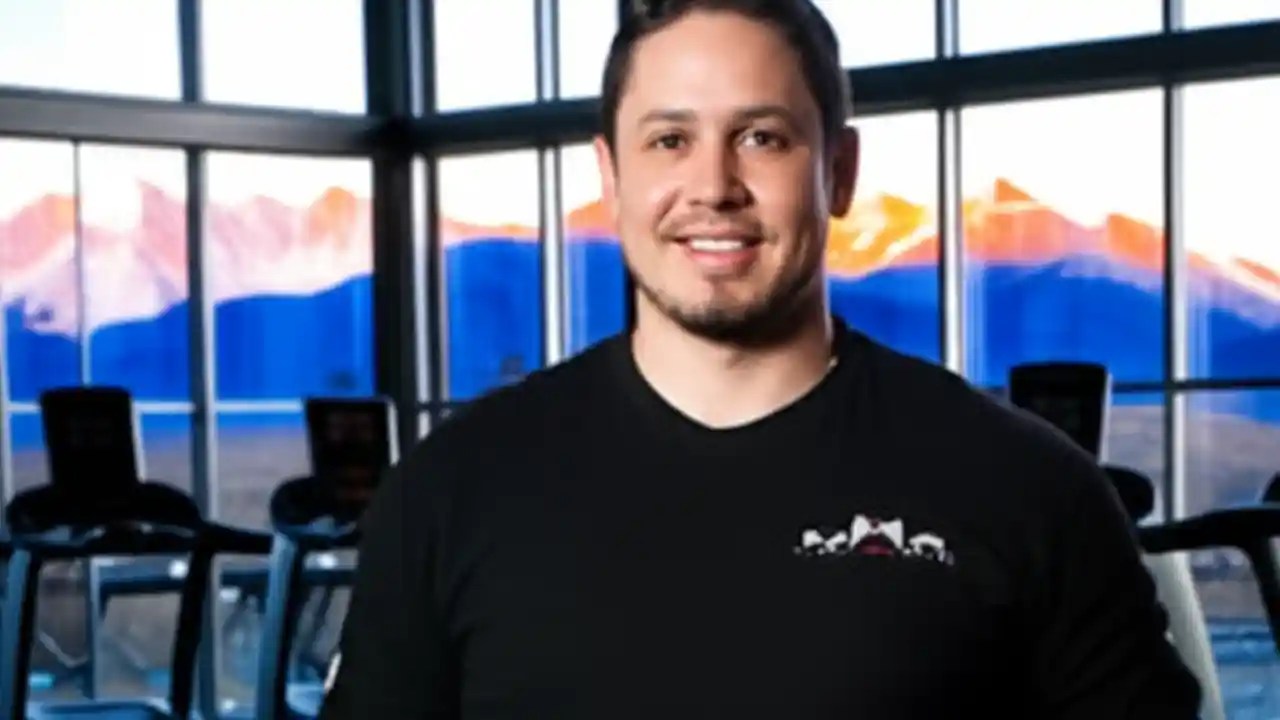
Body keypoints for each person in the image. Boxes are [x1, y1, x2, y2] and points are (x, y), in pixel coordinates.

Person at [319, 1, 1203, 717]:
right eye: (670, 140)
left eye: (763, 137)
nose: (713, 187)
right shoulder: (449, 492)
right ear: (611, 175)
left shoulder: (1028, 491)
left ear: (840, 171)